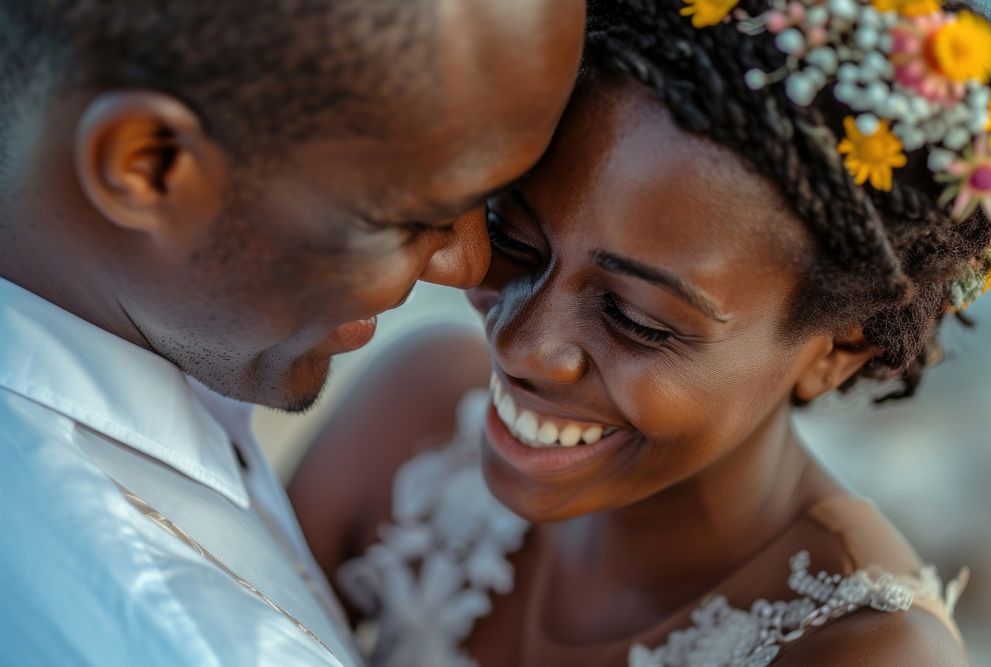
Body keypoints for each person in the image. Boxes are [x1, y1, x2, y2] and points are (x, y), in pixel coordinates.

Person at [289, 0, 991, 664]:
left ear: (841, 350)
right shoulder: (418, 413)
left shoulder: (864, 651)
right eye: (514, 239)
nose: (523, 345)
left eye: (638, 320)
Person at [0, 1, 584, 665]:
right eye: (418, 217)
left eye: (500, 204)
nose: (473, 267)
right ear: (151, 165)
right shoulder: (191, 635)